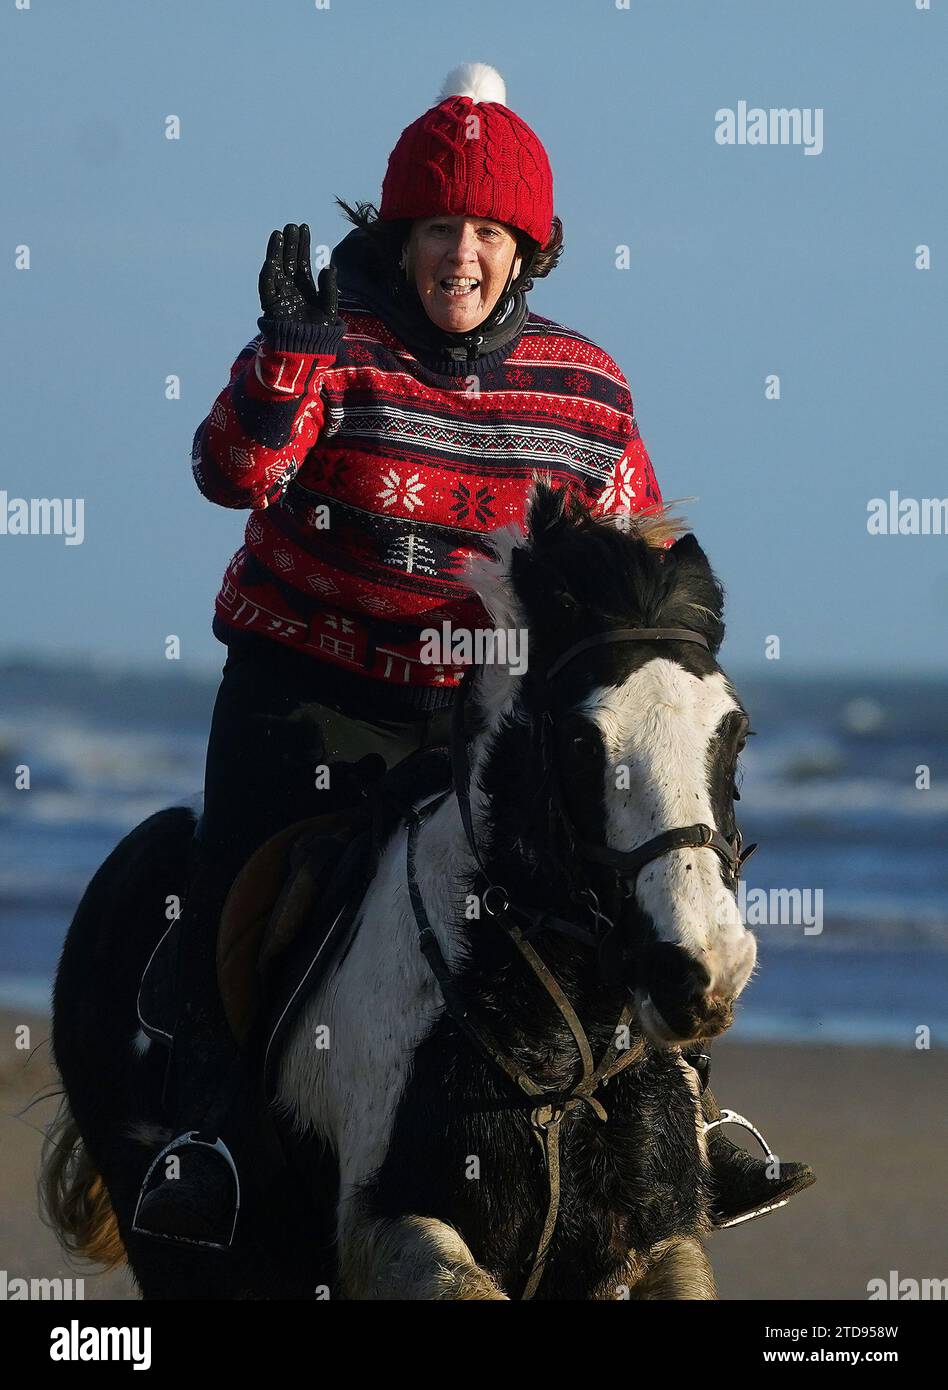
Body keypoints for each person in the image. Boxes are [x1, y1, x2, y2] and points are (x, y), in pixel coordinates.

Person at [135, 63, 813, 1246]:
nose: (463, 255)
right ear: (401, 235)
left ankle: (690, 1112)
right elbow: (229, 475)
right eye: (441, 227)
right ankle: (208, 1142)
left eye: (490, 232)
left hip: (485, 716)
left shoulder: (588, 386)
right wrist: (282, 363)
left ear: (528, 250)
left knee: (621, 873)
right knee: (233, 880)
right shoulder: (332, 344)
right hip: (311, 693)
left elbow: (630, 558)